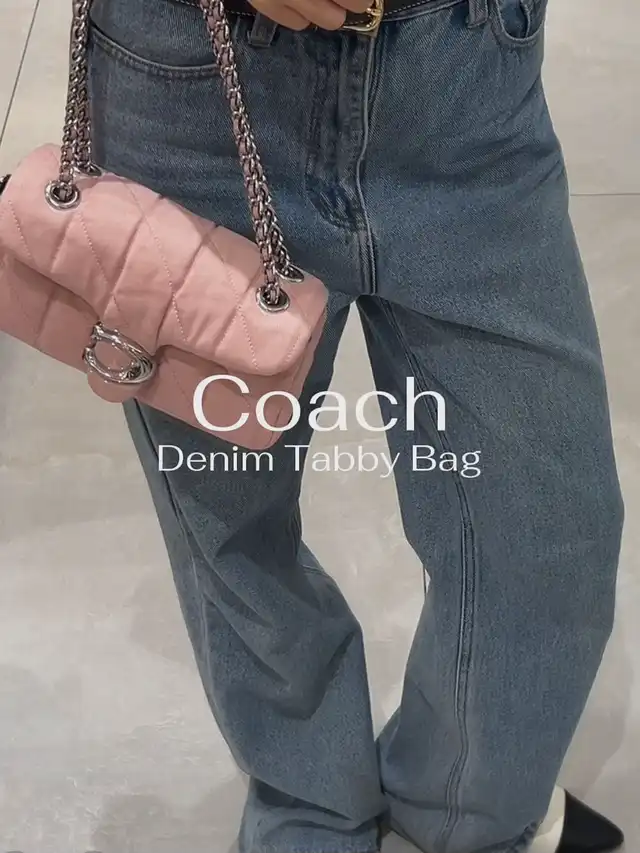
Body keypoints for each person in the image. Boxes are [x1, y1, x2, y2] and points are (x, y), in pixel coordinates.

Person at [86, 0, 625, 850]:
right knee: (229, 527)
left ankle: (465, 809)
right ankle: (308, 804)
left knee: (547, 529)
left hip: (465, 78)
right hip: (193, 87)